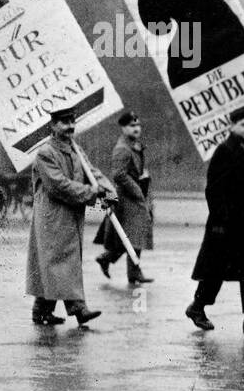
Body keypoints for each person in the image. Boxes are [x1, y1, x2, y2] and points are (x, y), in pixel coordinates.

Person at [185, 106, 244, 334]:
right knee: (215, 269)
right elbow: (213, 190)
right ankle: (197, 307)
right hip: (227, 224)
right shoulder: (224, 151)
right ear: (232, 126)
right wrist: (220, 220)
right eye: (243, 125)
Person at [27, 107, 116, 326]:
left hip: (71, 214)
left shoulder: (75, 150)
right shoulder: (45, 153)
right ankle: (78, 309)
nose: (71, 126)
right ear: (53, 126)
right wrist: (92, 193)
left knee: (57, 263)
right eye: (65, 122)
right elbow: (59, 186)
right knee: (58, 261)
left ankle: (41, 311)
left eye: (73, 121)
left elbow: (93, 173)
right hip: (52, 216)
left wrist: (109, 192)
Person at [93, 111, 154, 285]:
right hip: (126, 198)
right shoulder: (122, 148)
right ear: (123, 128)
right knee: (134, 234)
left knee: (131, 235)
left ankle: (108, 259)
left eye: (138, 125)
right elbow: (119, 175)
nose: (136, 129)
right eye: (132, 126)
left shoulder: (134, 145)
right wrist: (137, 190)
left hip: (135, 196)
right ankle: (133, 272)